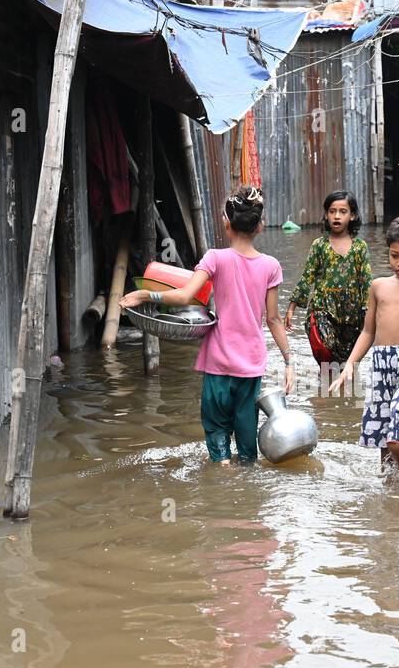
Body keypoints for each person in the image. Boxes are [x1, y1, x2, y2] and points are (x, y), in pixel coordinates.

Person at [120, 186, 294, 465]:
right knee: (247, 445)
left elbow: (185, 296)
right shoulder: (271, 266)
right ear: (260, 226)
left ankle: (222, 473)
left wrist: (144, 294)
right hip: (250, 366)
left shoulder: (215, 258)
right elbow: (273, 319)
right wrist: (288, 362)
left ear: (227, 223)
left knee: (216, 433)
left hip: (219, 364)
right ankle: (244, 484)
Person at [331, 212, 399, 478]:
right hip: (382, 368)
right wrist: (350, 365)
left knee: (398, 440)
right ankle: (391, 493)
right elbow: (368, 332)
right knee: (384, 439)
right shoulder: (378, 287)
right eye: (394, 255)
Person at [284, 190, 372, 392]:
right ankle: (326, 399)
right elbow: (308, 276)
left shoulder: (360, 247)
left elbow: (366, 282)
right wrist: (292, 307)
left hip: (353, 313)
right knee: (325, 350)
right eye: (332, 211)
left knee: (348, 362)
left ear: (353, 216)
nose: (337, 216)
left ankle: (344, 402)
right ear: (326, 215)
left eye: (343, 211)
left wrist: (371, 313)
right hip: (324, 308)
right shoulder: (319, 246)